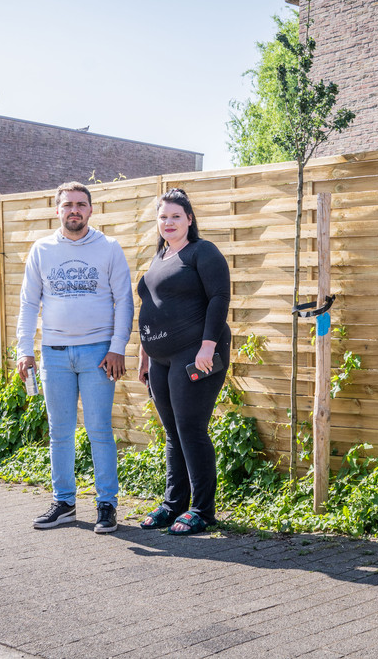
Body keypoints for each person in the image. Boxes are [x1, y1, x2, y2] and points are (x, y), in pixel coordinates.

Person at [16, 182, 132, 534]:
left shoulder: (109, 247)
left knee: (100, 431)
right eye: (68, 205)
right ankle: (64, 503)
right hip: (53, 355)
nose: (74, 210)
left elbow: (124, 300)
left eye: (81, 204)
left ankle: (107, 505)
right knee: (60, 433)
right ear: (57, 210)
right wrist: (24, 350)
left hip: (99, 353)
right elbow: (28, 304)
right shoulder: (42, 249)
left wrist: (117, 347)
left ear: (91, 210)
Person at [136, 187, 231, 535]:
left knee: (191, 428)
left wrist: (207, 346)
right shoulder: (159, 258)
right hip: (159, 359)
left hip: (196, 353)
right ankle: (174, 504)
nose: (169, 222)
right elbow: (154, 308)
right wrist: (144, 353)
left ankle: (203, 511)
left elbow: (220, 297)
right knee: (172, 432)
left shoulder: (201, 252)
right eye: (163, 217)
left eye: (176, 216)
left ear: (189, 220)